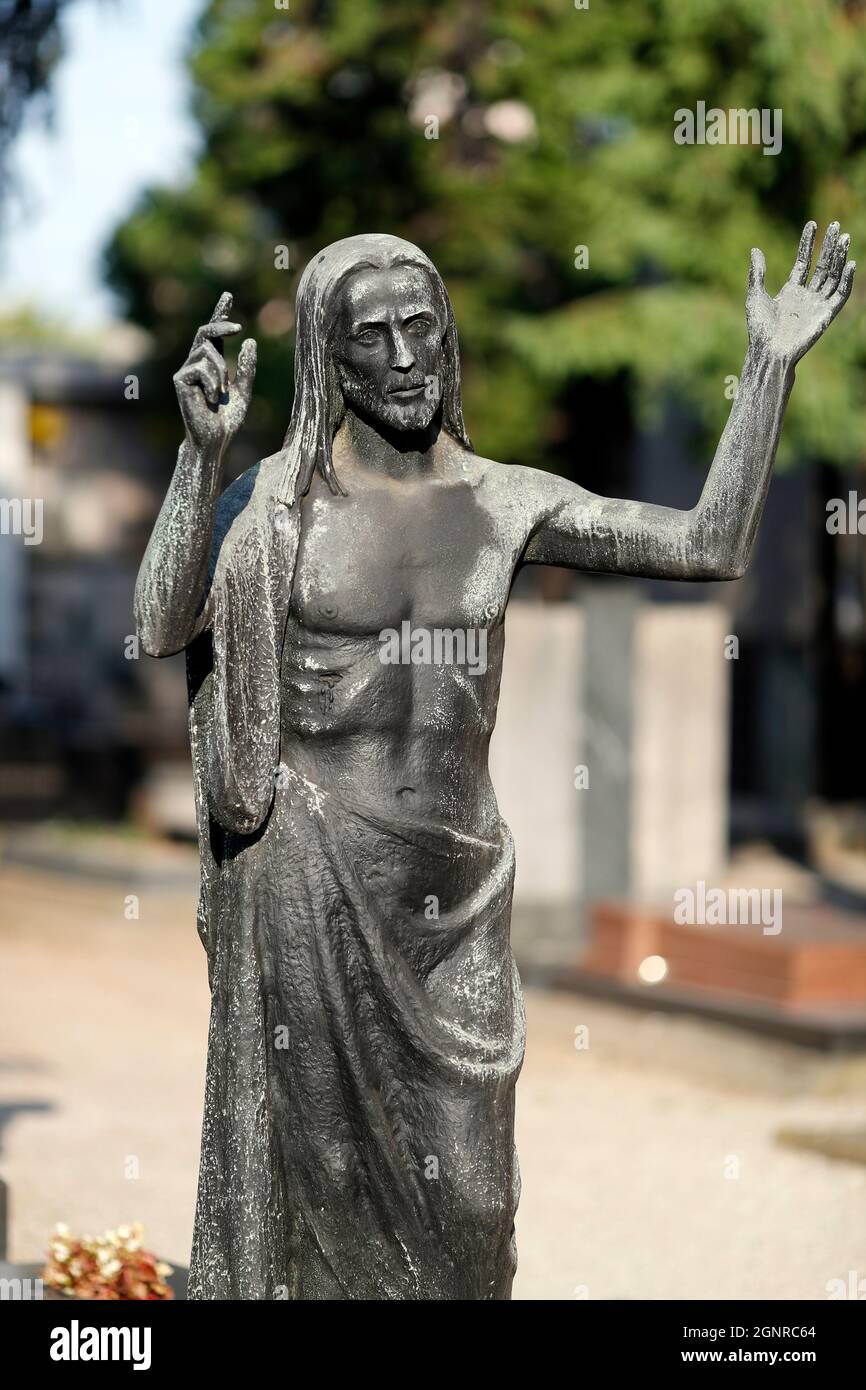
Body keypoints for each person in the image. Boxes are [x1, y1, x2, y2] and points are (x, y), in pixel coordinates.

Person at [135, 225, 854, 1300]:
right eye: (370, 336)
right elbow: (159, 620)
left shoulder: (507, 502)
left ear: (447, 336)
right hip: (305, 880)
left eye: (420, 326)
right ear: (332, 361)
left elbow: (706, 545)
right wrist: (200, 459)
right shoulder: (275, 507)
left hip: (452, 895)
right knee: (316, 1179)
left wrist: (764, 367)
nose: (403, 355)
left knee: (473, 1202)